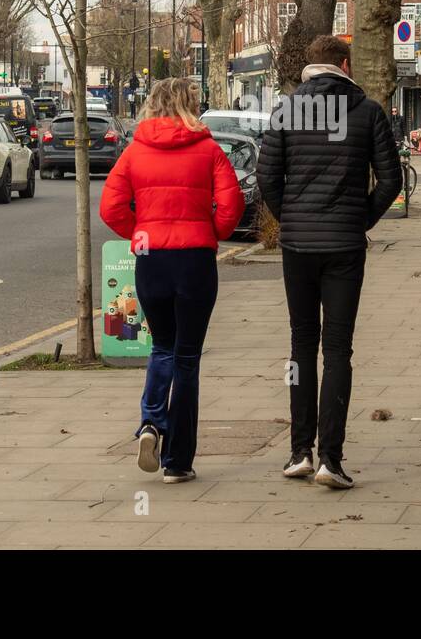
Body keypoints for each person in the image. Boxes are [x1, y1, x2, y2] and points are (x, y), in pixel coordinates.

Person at [257, 35, 402, 489]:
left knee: (302, 344)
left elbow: (266, 177)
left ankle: (299, 452)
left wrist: (291, 219)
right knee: (338, 349)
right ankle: (330, 461)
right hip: (344, 246)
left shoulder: (286, 110)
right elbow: (391, 179)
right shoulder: (367, 111)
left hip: (298, 247)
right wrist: (360, 219)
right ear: (342, 64)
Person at [99, 78, 243, 484]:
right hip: (195, 261)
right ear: (190, 105)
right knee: (188, 356)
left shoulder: (134, 152)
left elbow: (110, 207)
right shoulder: (209, 149)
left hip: (152, 260)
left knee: (161, 345)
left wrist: (140, 231)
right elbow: (232, 207)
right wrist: (210, 232)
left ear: (151, 105)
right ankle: (178, 461)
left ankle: (150, 423)